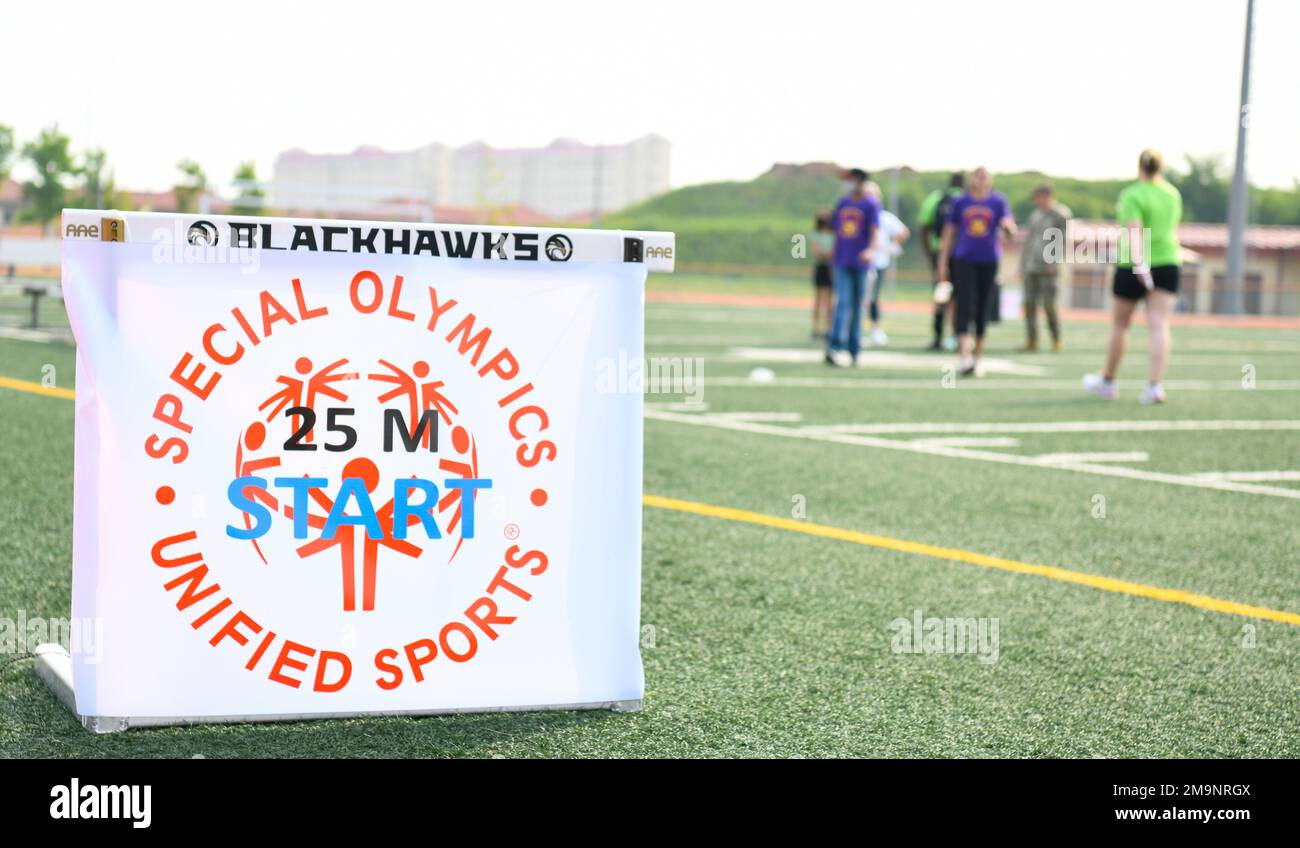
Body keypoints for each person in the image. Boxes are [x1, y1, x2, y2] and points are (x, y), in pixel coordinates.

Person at [1084, 149, 1183, 404]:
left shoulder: (1133, 194)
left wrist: (1140, 263)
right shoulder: (1172, 194)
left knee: (1120, 324)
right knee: (1159, 323)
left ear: (1139, 167)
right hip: (1168, 261)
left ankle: (1108, 381)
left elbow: (1134, 231)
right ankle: (1155, 386)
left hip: (1133, 264)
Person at [936, 167, 1016, 378]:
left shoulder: (998, 201)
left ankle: (977, 356)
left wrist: (1009, 227)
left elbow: (1009, 226)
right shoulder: (960, 202)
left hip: (988, 260)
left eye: (984, 176)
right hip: (964, 259)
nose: (980, 180)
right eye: (977, 176)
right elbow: (949, 233)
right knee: (964, 304)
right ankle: (964, 355)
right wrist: (943, 261)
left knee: (982, 308)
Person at [825, 168, 879, 366]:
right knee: (843, 303)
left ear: (860, 181)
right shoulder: (843, 203)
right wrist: (833, 255)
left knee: (857, 308)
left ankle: (854, 350)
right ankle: (834, 347)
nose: (847, 183)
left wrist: (871, 250)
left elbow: (875, 232)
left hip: (862, 263)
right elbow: (836, 232)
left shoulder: (870, 204)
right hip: (842, 261)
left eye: (850, 179)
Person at [1019, 183, 1072, 351]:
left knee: (1049, 305)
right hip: (1032, 267)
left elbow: (1062, 239)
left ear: (1047, 195)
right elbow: (1029, 241)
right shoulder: (1035, 215)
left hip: (1049, 268)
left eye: (1038, 197)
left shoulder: (1060, 214)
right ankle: (1032, 340)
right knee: (1029, 304)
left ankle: (1056, 339)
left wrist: (1054, 261)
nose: (1036, 201)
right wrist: (1022, 264)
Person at [917, 172, 964, 350]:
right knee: (959, 298)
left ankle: (937, 336)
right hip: (962, 254)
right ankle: (957, 336)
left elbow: (924, 226)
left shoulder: (936, 198)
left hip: (940, 253)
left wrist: (931, 255)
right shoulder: (965, 199)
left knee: (940, 295)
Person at [863, 182, 910, 347]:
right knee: (856, 299)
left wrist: (892, 246)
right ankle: (853, 331)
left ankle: (875, 330)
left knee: (872, 298)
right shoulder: (859, 214)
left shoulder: (884, 217)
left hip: (878, 263)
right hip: (859, 263)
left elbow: (903, 231)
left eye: (872, 194)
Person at [809, 211, 834, 339]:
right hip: (821, 267)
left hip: (831, 269)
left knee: (830, 302)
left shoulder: (834, 235)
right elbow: (817, 252)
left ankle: (828, 330)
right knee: (819, 300)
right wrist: (829, 254)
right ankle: (815, 329)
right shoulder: (816, 235)